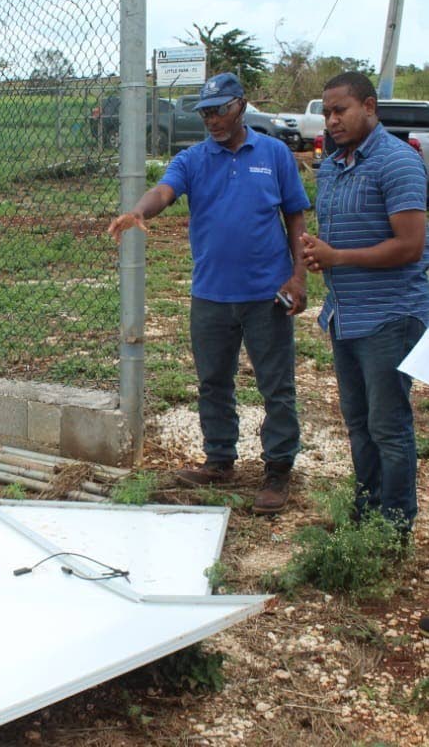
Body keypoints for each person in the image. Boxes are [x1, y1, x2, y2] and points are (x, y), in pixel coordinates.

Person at [108, 72, 309, 514]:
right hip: (212, 295)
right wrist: (139, 211)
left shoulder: (274, 154)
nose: (212, 120)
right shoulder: (193, 158)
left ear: (241, 106)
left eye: (219, 110)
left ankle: (277, 470)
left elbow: (295, 217)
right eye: (205, 112)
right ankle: (220, 460)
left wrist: (298, 276)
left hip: (266, 294)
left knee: (276, 386)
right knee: (213, 382)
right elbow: (165, 190)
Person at [301, 71, 428, 536]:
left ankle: (393, 529)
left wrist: (338, 256)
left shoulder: (397, 163)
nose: (331, 121)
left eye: (341, 111)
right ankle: (366, 513)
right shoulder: (334, 165)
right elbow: (342, 239)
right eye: (328, 112)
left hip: (390, 316)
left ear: (369, 107)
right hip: (345, 316)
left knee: (389, 428)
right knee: (358, 423)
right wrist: (322, 256)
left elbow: (410, 246)